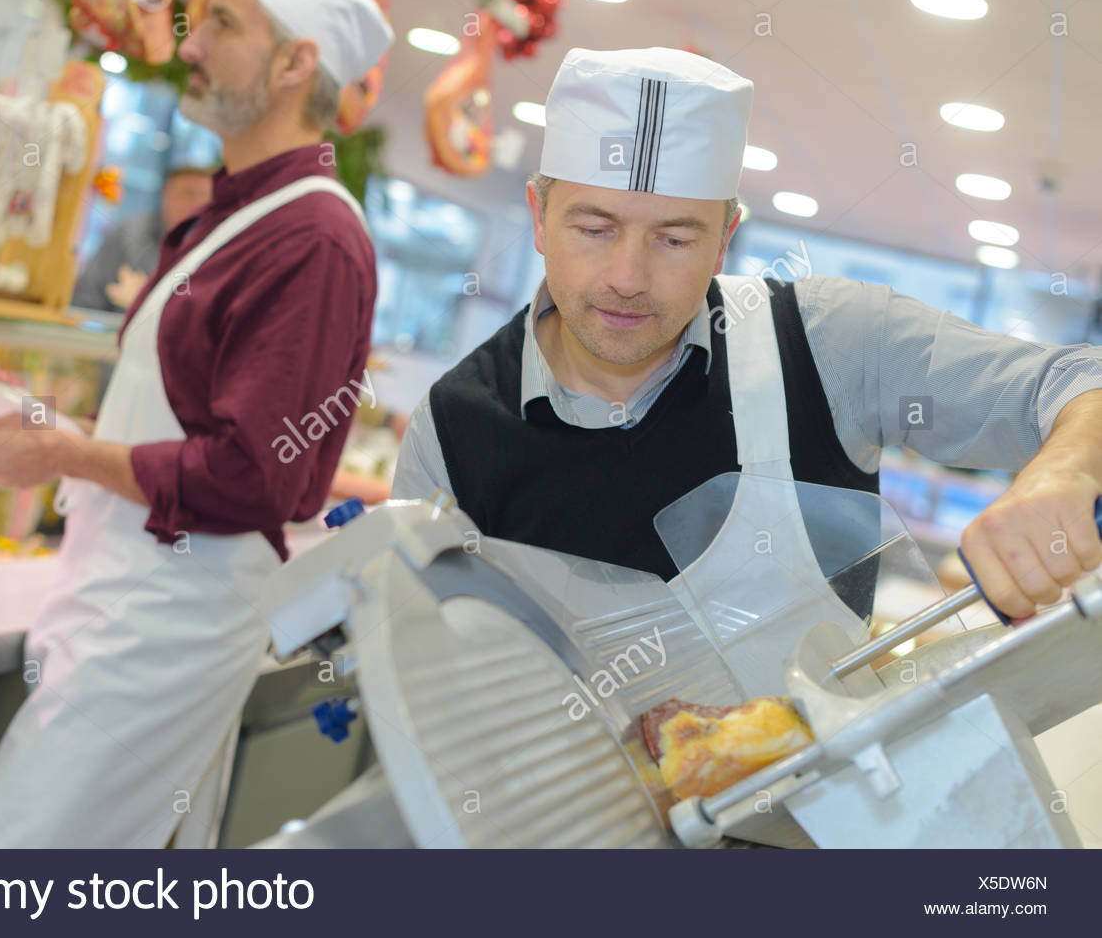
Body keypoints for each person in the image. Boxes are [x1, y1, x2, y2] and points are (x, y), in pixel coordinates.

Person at [393, 47, 1102, 656]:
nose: (628, 278)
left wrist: (1065, 471)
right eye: (595, 228)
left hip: (808, 814)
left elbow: (1078, 380)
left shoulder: (827, 343)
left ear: (726, 233)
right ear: (539, 215)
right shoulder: (452, 427)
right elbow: (424, 670)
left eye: (675, 238)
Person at [0, 0, 392, 847]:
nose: (188, 44)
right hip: (126, 593)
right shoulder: (239, 213)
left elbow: (255, 473)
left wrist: (66, 453)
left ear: (298, 63)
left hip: (168, 618)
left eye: (223, 23)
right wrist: (41, 419)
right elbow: (181, 413)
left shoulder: (315, 239)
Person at [71, 166, 214, 312]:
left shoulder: (213, 247)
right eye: (188, 193)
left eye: (204, 195)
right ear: (165, 195)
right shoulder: (127, 234)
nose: (196, 202)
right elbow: (86, 295)